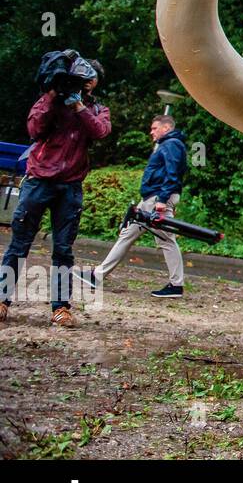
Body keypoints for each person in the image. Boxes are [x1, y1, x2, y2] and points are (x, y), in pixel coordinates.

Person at [1, 59, 110, 327]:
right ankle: (2, 300)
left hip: (70, 187)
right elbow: (34, 129)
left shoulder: (97, 109)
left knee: (63, 249)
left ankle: (60, 308)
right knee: (19, 245)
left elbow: (100, 131)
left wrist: (79, 107)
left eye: (89, 78)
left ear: (94, 82)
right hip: (39, 181)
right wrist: (53, 95)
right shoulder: (50, 100)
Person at [77, 114, 188, 298]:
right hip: (152, 199)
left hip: (156, 200)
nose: (151, 132)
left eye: (154, 128)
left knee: (166, 240)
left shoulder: (172, 144)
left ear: (166, 128)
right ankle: (97, 275)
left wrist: (162, 199)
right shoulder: (169, 144)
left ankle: (176, 285)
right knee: (128, 234)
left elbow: (173, 173)